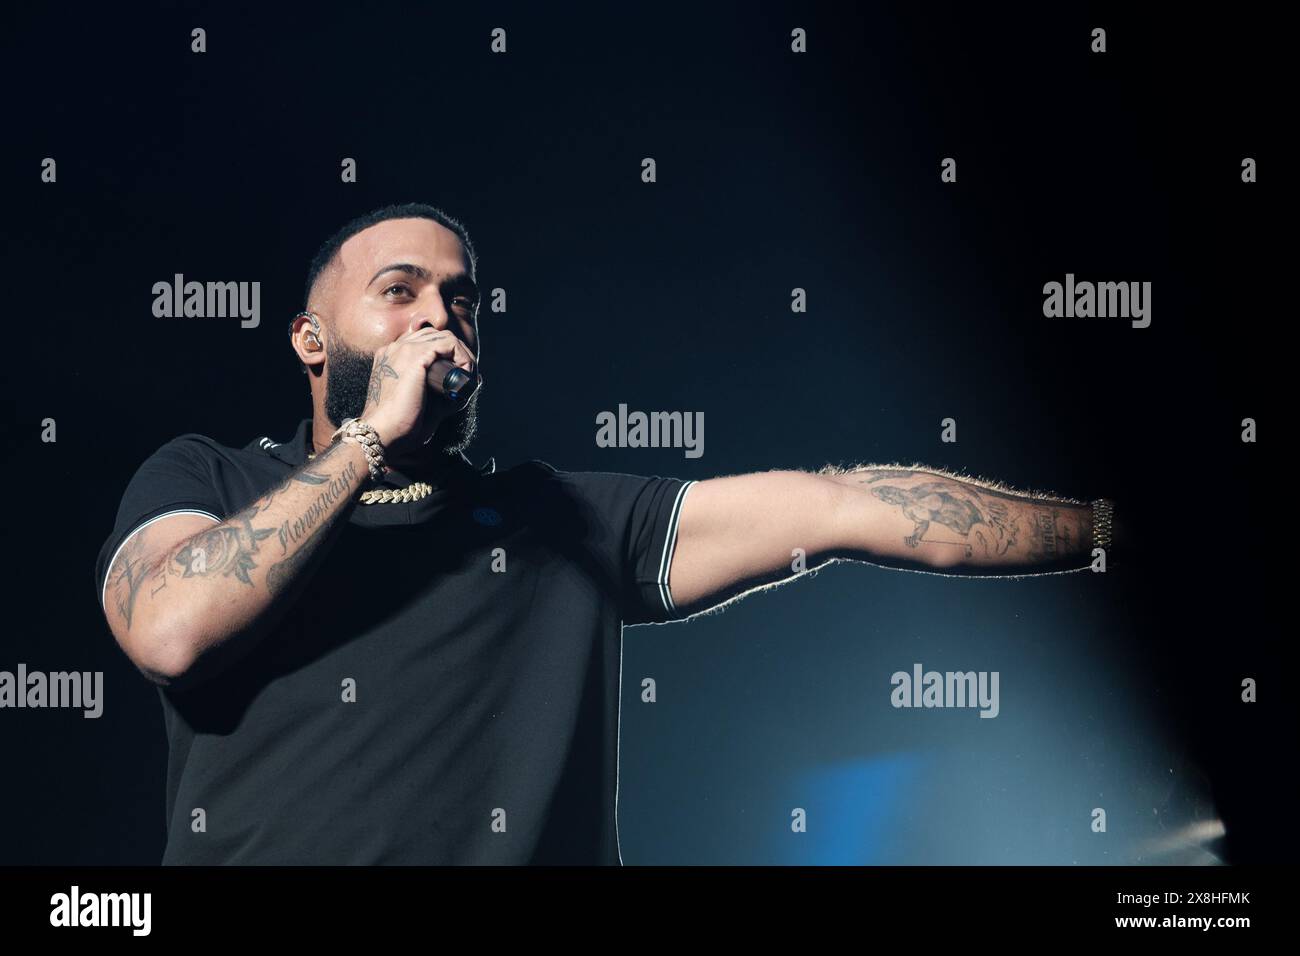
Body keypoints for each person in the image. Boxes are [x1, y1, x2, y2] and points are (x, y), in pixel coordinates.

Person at [94, 202, 1120, 865]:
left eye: (460, 299)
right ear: (310, 339)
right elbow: (169, 627)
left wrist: (1110, 532)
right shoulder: (209, 475)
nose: (437, 317)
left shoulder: (563, 520)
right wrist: (366, 440)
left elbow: (845, 503)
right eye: (398, 291)